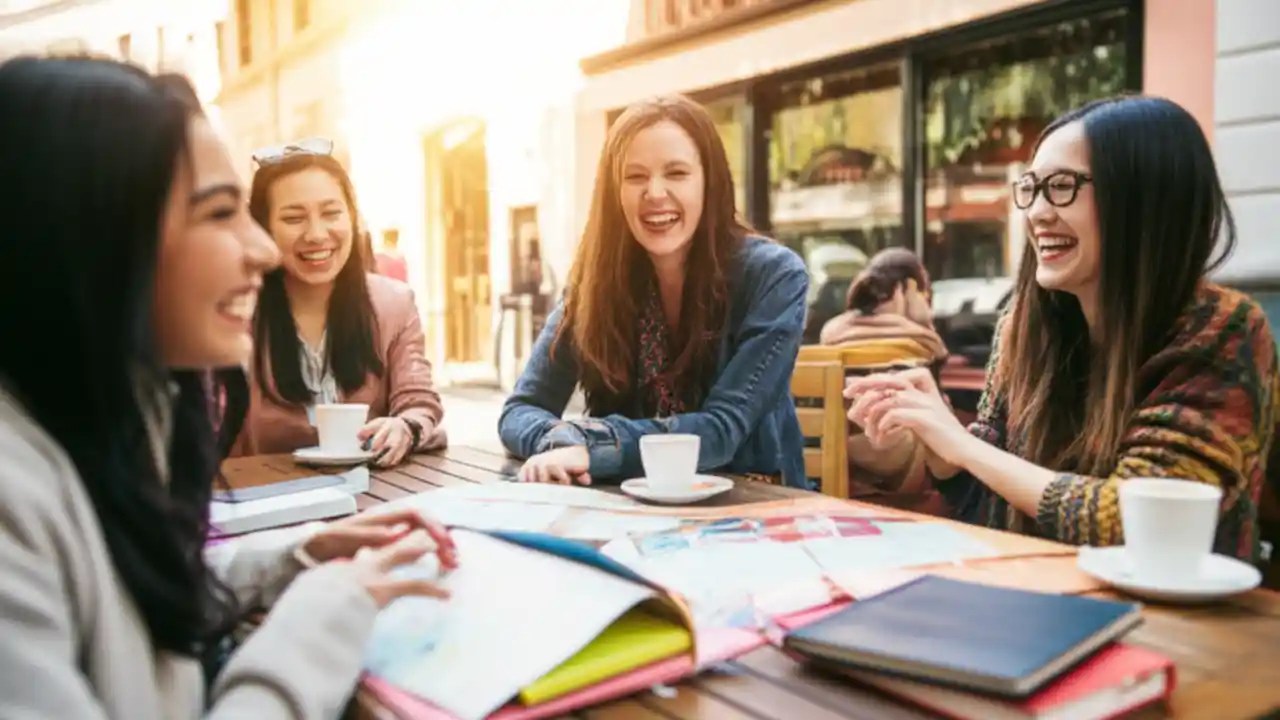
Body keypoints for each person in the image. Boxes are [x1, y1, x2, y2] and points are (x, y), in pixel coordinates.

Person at [0, 57, 457, 718]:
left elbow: (111, 594)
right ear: (90, 235)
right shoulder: (18, 496)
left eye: (330, 213)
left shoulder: (106, 419)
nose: (267, 249)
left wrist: (296, 557)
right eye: (220, 213)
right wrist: (316, 625)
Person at [847, 96, 1279, 561]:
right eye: (1031, 188)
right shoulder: (1025, 325)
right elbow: (989, 508)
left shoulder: (1224, 330)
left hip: (1178, 623)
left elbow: (1138, 521)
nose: (1036, 213)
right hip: (1042, 599)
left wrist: (962, 447)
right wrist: (938, 448)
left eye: (1061, 186)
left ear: (1143, 198)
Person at [498, 94, 809, 487]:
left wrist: (594, 447)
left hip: (752, 508)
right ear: (614, 193)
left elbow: (720, 432)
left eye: (676, 173)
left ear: (709, 182)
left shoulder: (776, 277)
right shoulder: (595, 282)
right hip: (629, 510)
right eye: (635, 176)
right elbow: (521, 410)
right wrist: (566, 441)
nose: (655, 193)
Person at [230, 141, 445, 466]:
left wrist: (404, 426)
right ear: (262, 229)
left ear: (352, 217)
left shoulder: (394, 304)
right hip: (266, 499)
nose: (317, 234)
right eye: (293, 218)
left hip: (377, 495)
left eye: (331, 213)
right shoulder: (237, 313)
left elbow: (420, 402)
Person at [819, 248, 948, 513]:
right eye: (925, 291)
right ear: (909, 288)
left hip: (830, 457)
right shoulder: (919, 341)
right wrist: (924, 320)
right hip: (893, 463)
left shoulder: (830, 332)